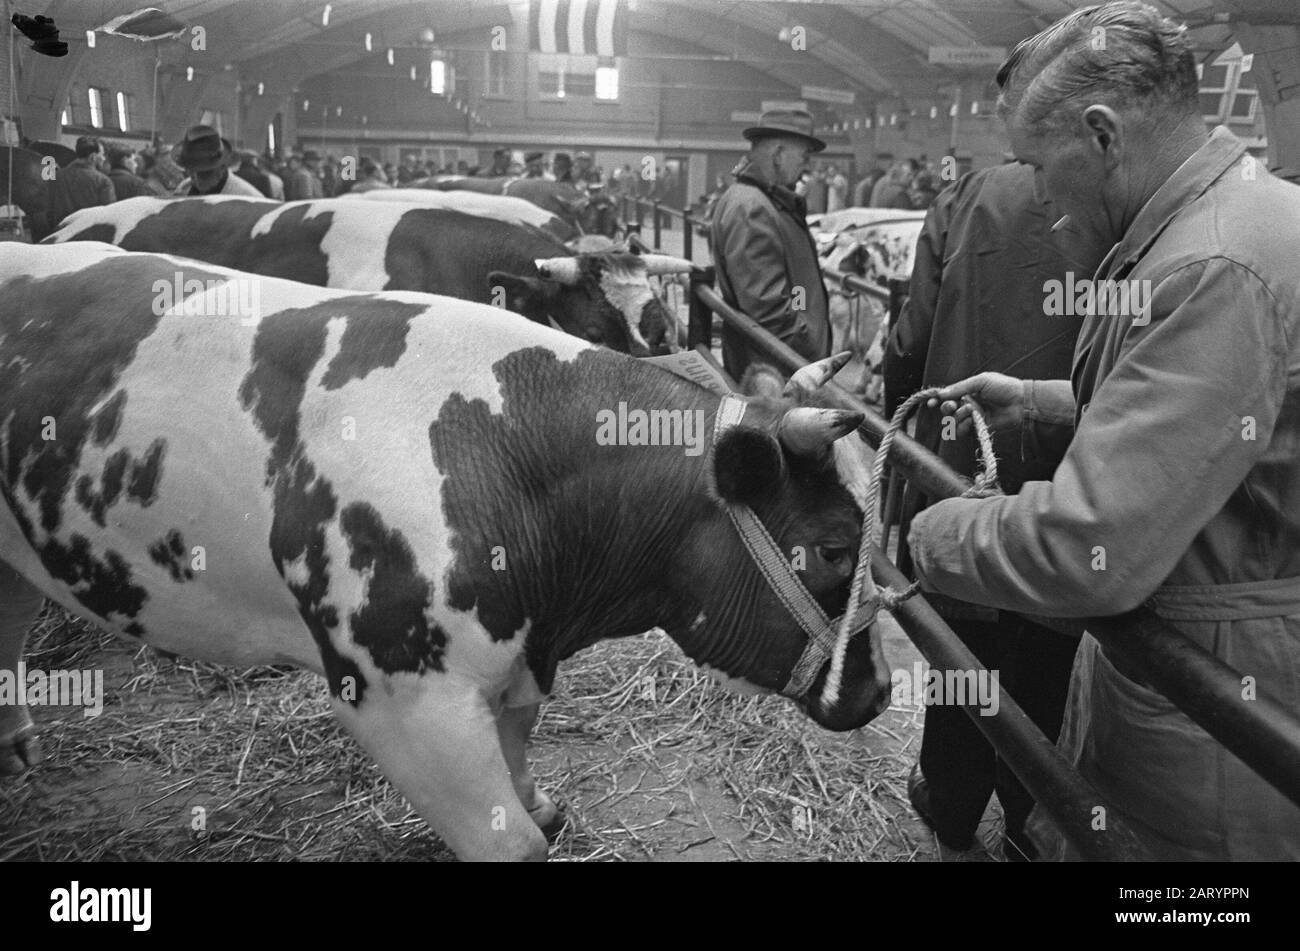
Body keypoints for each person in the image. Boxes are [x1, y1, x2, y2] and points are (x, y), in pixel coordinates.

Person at [907, 0, 1300, 861]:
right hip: (1204, 665)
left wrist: (926, 534)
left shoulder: (1211, 267)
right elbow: (1209, 435)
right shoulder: (1217, 223)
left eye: (1038, 167)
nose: (1040, 199)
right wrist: (1047, 403)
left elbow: (1097, 544)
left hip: (1219, 715)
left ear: (1102, 135)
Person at [884, 161, 1110, 860]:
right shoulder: (1117, 194)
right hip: (1072, 469)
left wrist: (903, 429)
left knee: (962, 649)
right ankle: (1026, 815)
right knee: (1047, 653)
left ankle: (953, 812)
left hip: (961, 452)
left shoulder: (966, 194)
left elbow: (912, 335)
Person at [710, 108, 830, 380]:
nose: (807, 165)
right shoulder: (752, 208)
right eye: (804, 155)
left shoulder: (763, 202)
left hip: (778, 366)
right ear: (778, 154)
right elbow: (769, 309)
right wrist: (808, 347)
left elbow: (791, 287)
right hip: (778, 373)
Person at [172, 126, 263, 197]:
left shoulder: (248, 199)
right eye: (191, 171)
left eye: (205, 173)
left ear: (222, 167)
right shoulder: (184, 190)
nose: (196, 179)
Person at [47, 136, 115, 226]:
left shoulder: (55, 176)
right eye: (102, 154)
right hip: (89, 233)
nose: (103, 158)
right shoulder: (103, 181)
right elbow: (108, 215)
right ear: (93, 157)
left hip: (60, 232)